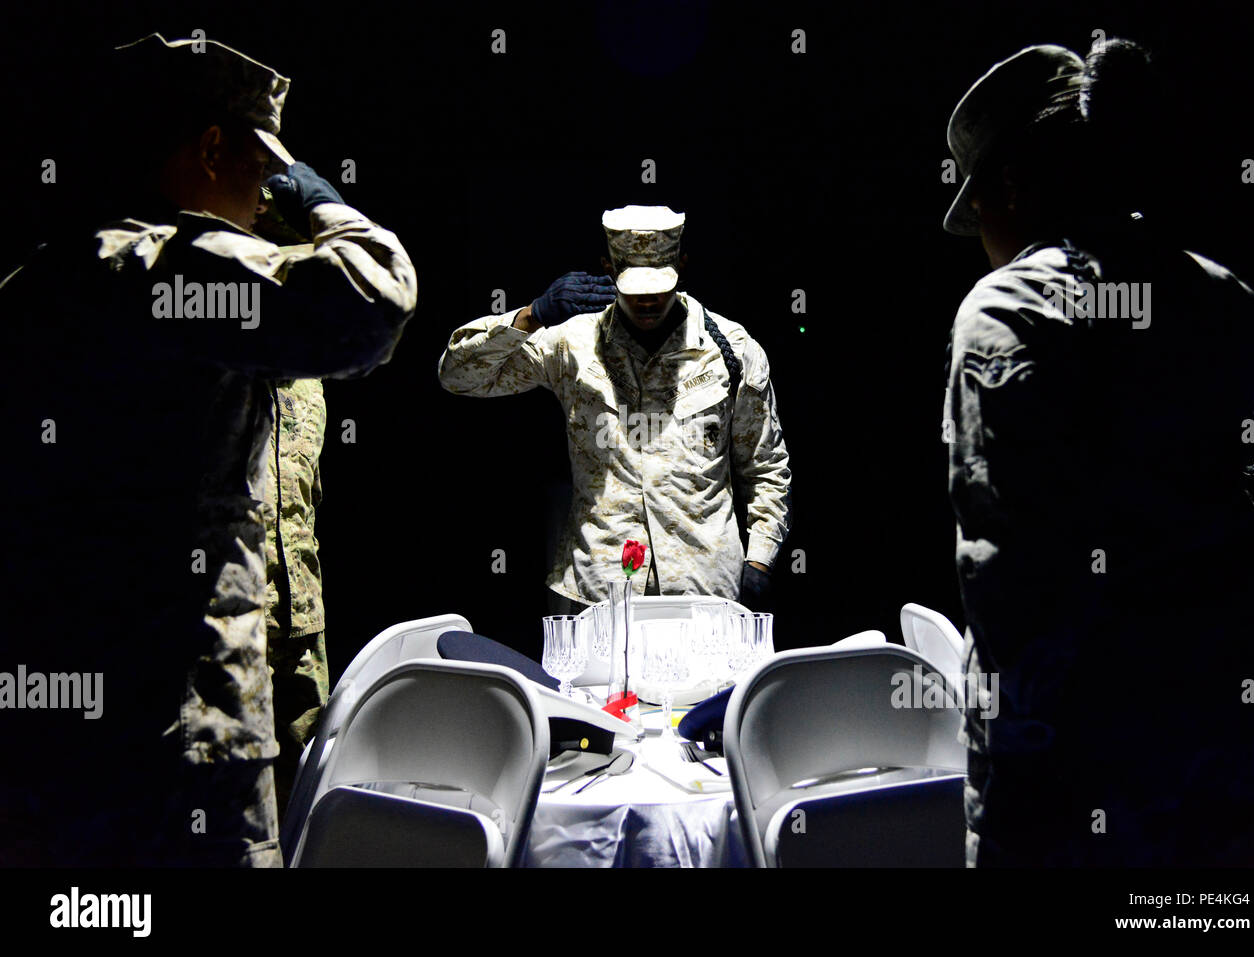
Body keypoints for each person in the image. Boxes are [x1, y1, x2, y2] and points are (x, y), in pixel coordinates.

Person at [0, 33, 417, 866]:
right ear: (213, 147)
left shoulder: (34, 285)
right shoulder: (167, 269)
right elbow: (373, 297)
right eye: (263, 169)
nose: (267, 198)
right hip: (178, 730)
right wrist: (320, 197)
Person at [941, 39, 1254, 865]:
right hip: (1236, 743)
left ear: (1014, 187)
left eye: (981, 205)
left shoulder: (1006, 309)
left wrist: (1017, 767)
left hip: (1087, 762)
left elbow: (1006, 569)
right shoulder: (1200, 285)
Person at [439, 205, 790, 614]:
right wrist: (531, 316)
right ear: (607, 268)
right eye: (635, 288)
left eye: (659, 286)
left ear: (683, 265)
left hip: (705, 589)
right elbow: (459, 376)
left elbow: (765, 467)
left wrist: (760, 559)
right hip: (598, 588)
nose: (648, 301)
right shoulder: (573, 343)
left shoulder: (731, 350)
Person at [261, 377, 330, 820]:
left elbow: (308, 500)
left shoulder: (311, 385)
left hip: (302, 622)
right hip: (233, 624)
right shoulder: (213, 372)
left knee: (310, 786)